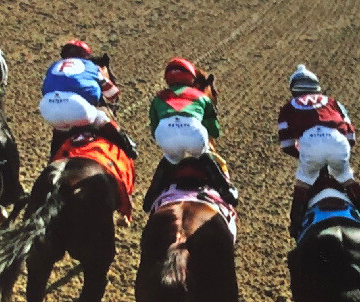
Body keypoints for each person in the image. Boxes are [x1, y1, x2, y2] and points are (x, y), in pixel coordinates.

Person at [276, 64, 360, 236]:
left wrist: (305, 156)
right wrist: (341, 155)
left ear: (293, 89)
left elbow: (286, 145)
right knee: (348, 180)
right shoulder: (333, 102)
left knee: (302, 185)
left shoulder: (288, 107)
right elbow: (351, 137)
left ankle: (295, 228)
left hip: (310, 147)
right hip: (338, 143)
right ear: (316, 87)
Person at [142, 57, 238, 210]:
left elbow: (154, 128)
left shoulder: (158, 97)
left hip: (166, 136)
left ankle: (150, 198)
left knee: (168, 160)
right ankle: (226, 190)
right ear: (190, 77)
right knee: (204, 156)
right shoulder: (202, 97)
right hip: (194, 136)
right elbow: (214, 131)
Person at [37, 39, 136, 162]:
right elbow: (111, 93)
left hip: (48, 108)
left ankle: (52, 160)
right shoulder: (92, 66)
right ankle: (129, 148)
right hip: (77, 108)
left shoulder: (53, 66)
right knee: (101, 117)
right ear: (86, 55)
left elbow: (44, 88)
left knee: (60, 132)